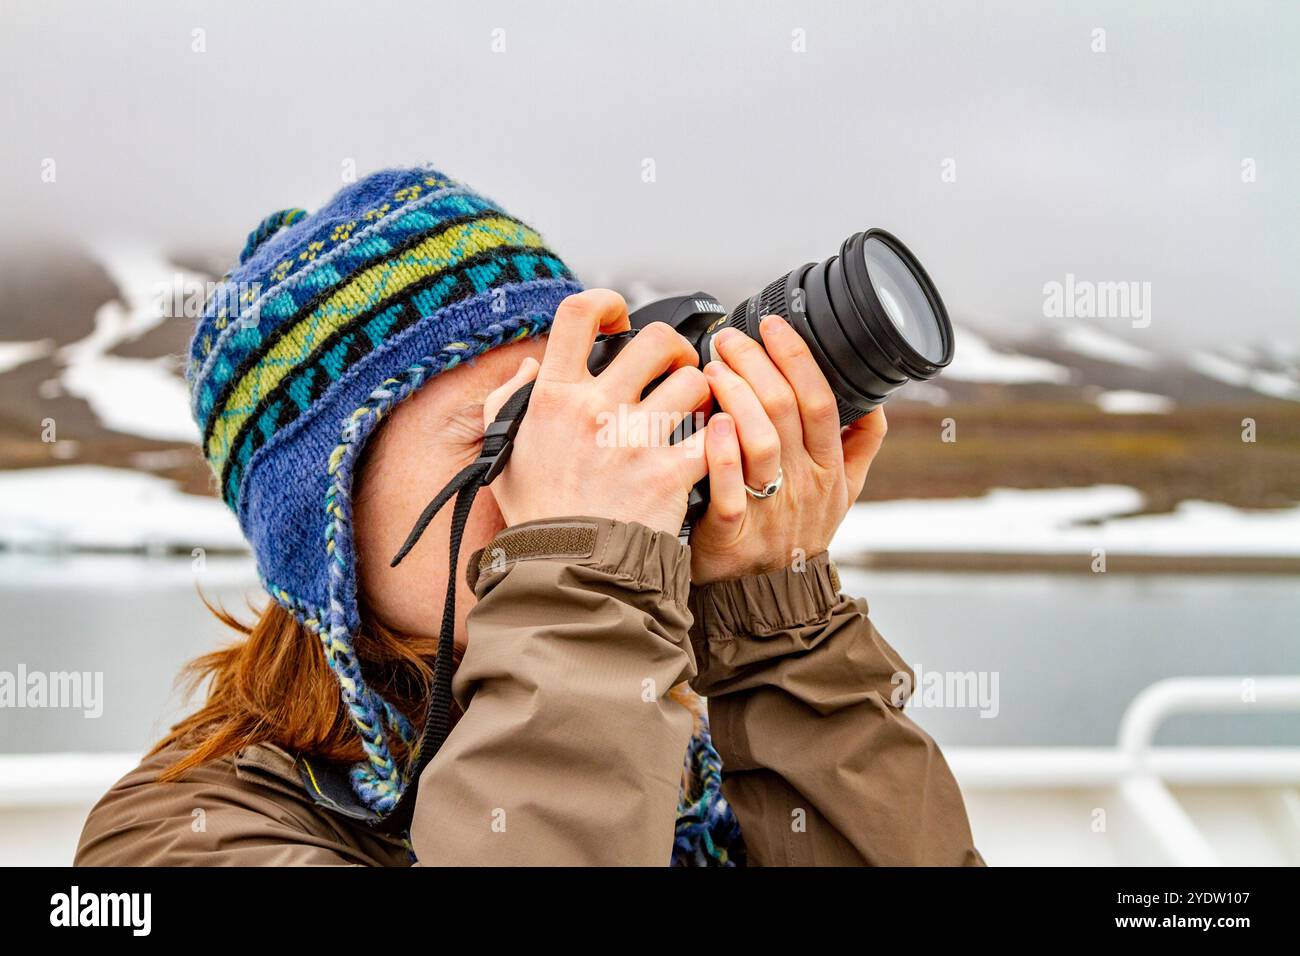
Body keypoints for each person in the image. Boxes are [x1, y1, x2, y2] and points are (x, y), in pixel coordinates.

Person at [75, 165, 982, 866]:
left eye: (571, 404)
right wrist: (582, 587)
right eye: (508, 431)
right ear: (327, 534)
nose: (572, 461)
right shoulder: (177, 833)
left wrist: (775, 630)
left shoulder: (684, 754)